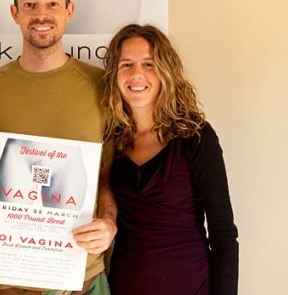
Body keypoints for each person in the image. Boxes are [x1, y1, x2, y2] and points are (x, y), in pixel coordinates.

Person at [0, 0, 117, 295]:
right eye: (30, 4)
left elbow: (107, 177)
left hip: (80, 275)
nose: (41, 14)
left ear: (69, 10)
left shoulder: (103, 88)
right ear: (15, 12)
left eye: (52, 3)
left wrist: (108, 223)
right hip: (7, 279)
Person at [102, 24, 239, 294]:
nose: (136, 74)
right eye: (126, 64)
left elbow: (224, 234)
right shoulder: (111, 141)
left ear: (166, 71)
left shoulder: (195, 137)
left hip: (190, 284)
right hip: (125, 286)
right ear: (114, 75)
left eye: (148, 64)